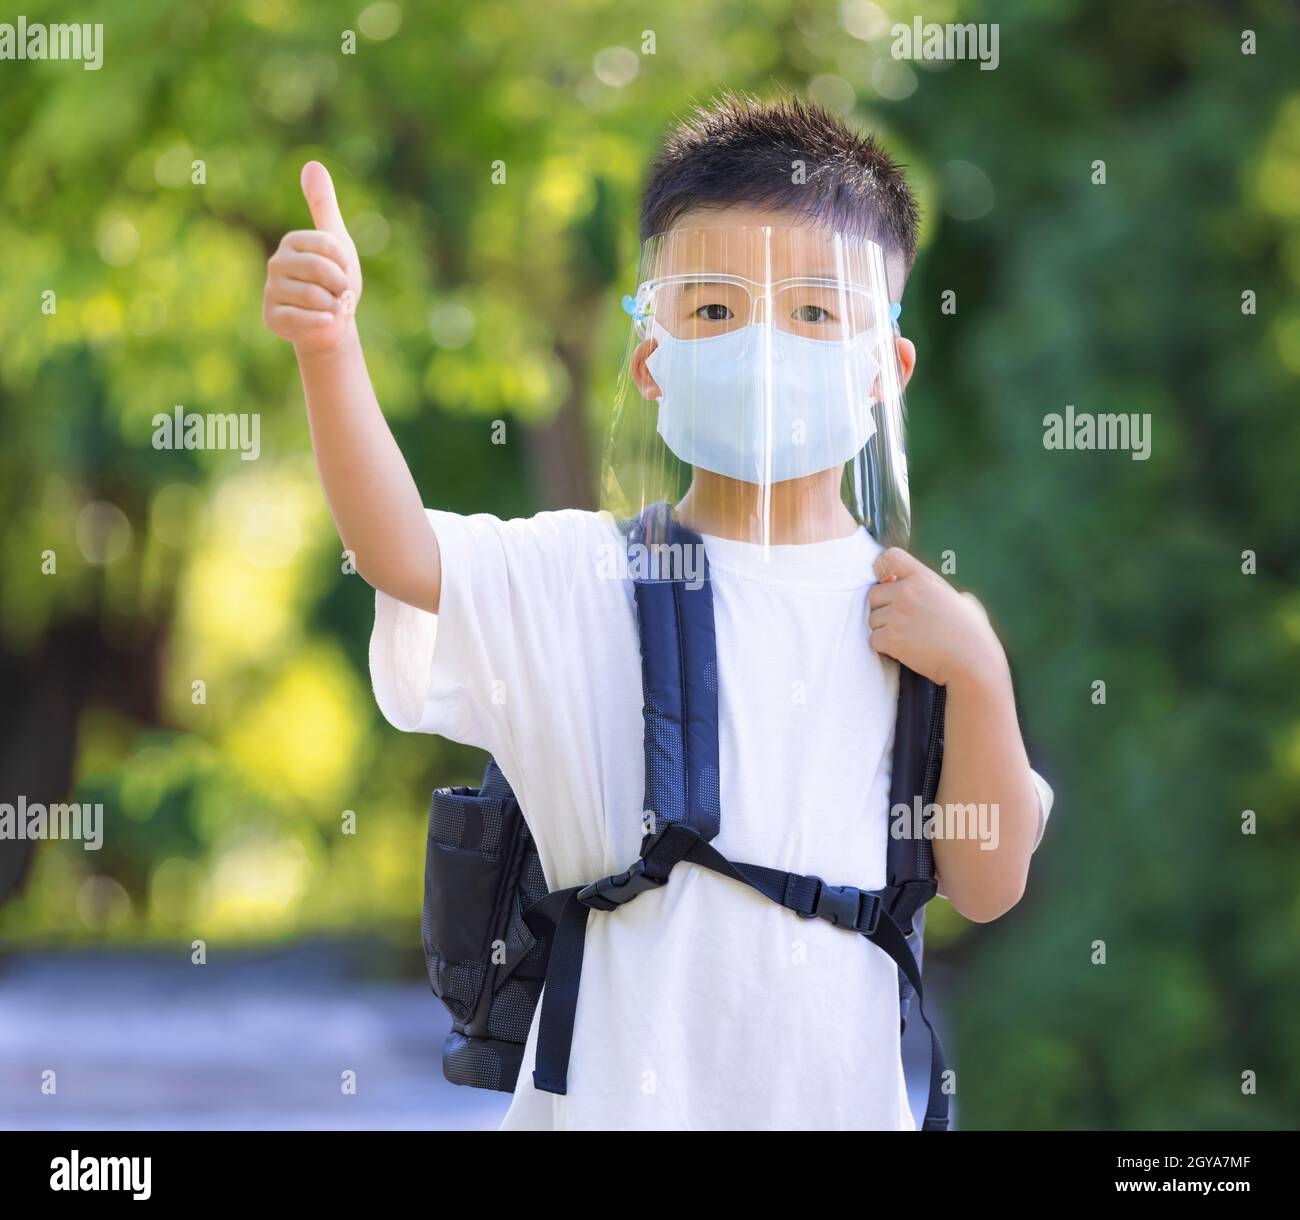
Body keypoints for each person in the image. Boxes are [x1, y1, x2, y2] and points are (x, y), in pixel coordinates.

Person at [262, 92, 1054, 1131]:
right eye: (716, 309)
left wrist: (980, 673)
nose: (764, 346)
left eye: (816, 311)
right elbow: (399, 551)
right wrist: (329, 352)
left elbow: (985, 881)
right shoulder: (580, 576)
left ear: (884, 370)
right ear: (651, 357)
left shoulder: (919, 621)